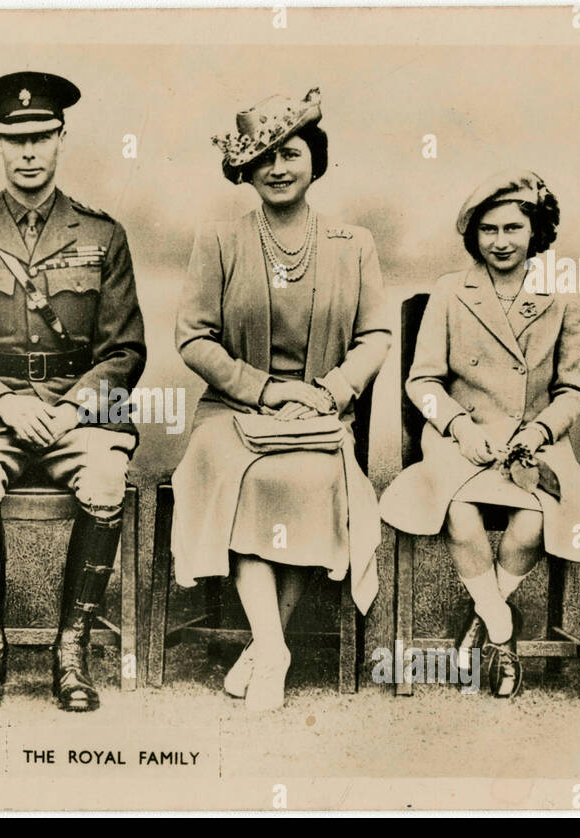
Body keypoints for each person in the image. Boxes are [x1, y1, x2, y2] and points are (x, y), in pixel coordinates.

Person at [0, 72, 147, 713]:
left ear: (61, 138)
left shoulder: (104, 235)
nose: (28, 151)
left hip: (80, 412)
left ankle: (70, 653)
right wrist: (3, 403)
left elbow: (125, 349)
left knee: (105, 480)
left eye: (41, 136)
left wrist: (73, 407)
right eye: (14, 138)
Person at [172, 89, 392, 711]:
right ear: (245, 170)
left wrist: (329, 392)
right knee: (251, 480)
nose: (277, 168)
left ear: (314, 160)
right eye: (262, 158)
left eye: (289, 153)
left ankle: (265, 647)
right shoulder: (219, 240)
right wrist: (266, 390)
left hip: (321, 412)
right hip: (234, 413)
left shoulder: (354, 243)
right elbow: (192, 337)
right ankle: (275, 649)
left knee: (311, 480)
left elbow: (375, 334)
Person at [379, 170, 580, 697]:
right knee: (460, 513)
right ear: (474, 236)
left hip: (533, 442)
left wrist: (538, 431)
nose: (501, 241)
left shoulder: (560, 297)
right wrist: (458, 426)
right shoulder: (451, 291)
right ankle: (502, 632)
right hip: (458, 438)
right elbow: (422, 381)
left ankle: (484, 624)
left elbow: (574, 390)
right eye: (488, 230)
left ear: (535, 231)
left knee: (533, 522)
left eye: (513, 228)